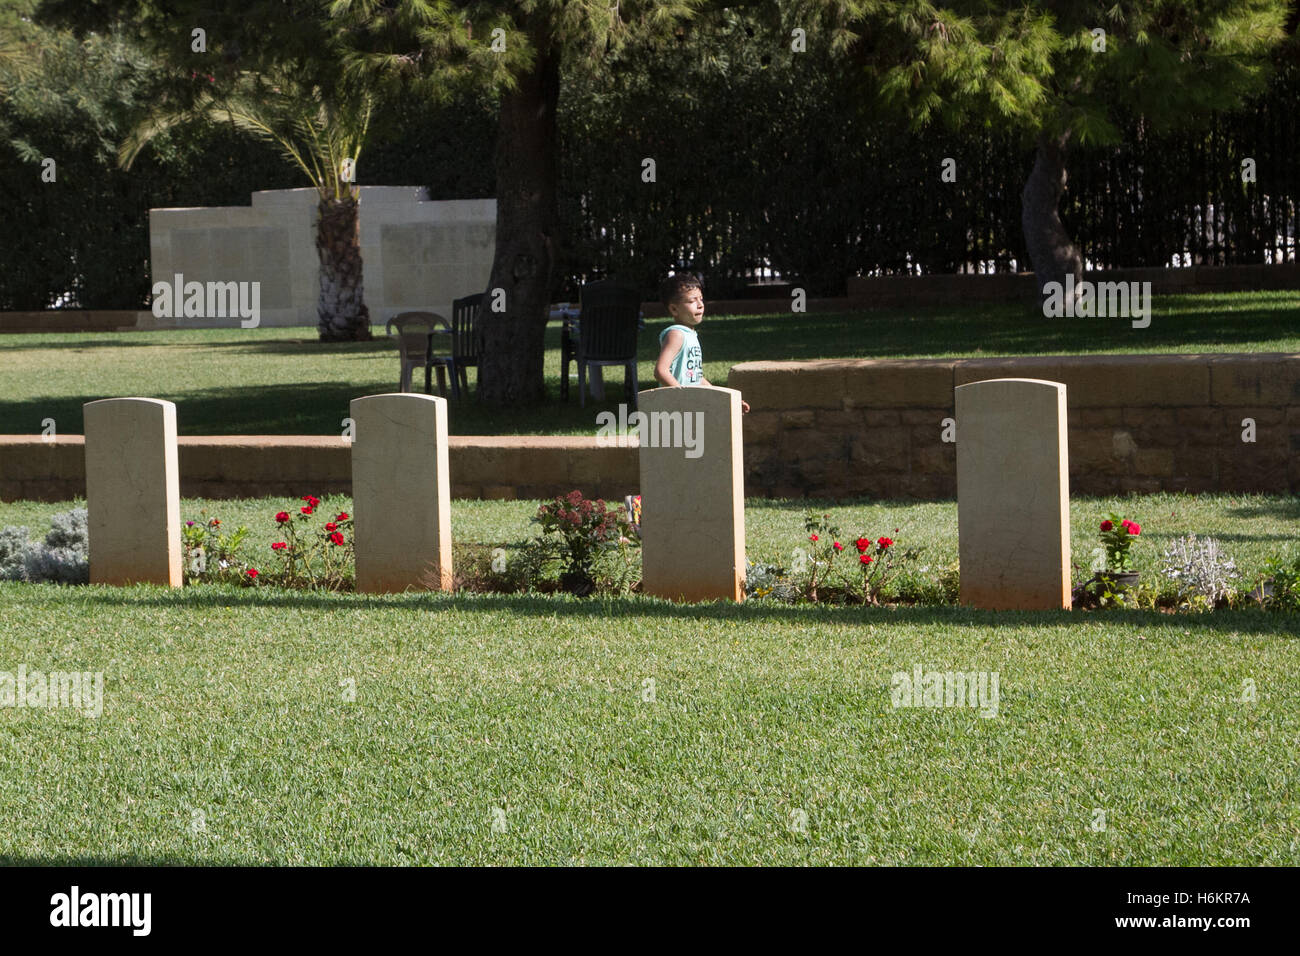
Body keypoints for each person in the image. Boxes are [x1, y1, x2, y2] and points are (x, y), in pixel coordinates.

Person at [653, 273, 750, 413]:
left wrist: (727, 399)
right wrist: (684, 396)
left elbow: (696, 378)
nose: (700, 305)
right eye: (692, 301)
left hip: (688, 407)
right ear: (674, 309)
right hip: (674, 408)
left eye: (701, 299)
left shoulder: (690, 335)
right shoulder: (676, 334)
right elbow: (660, 371)